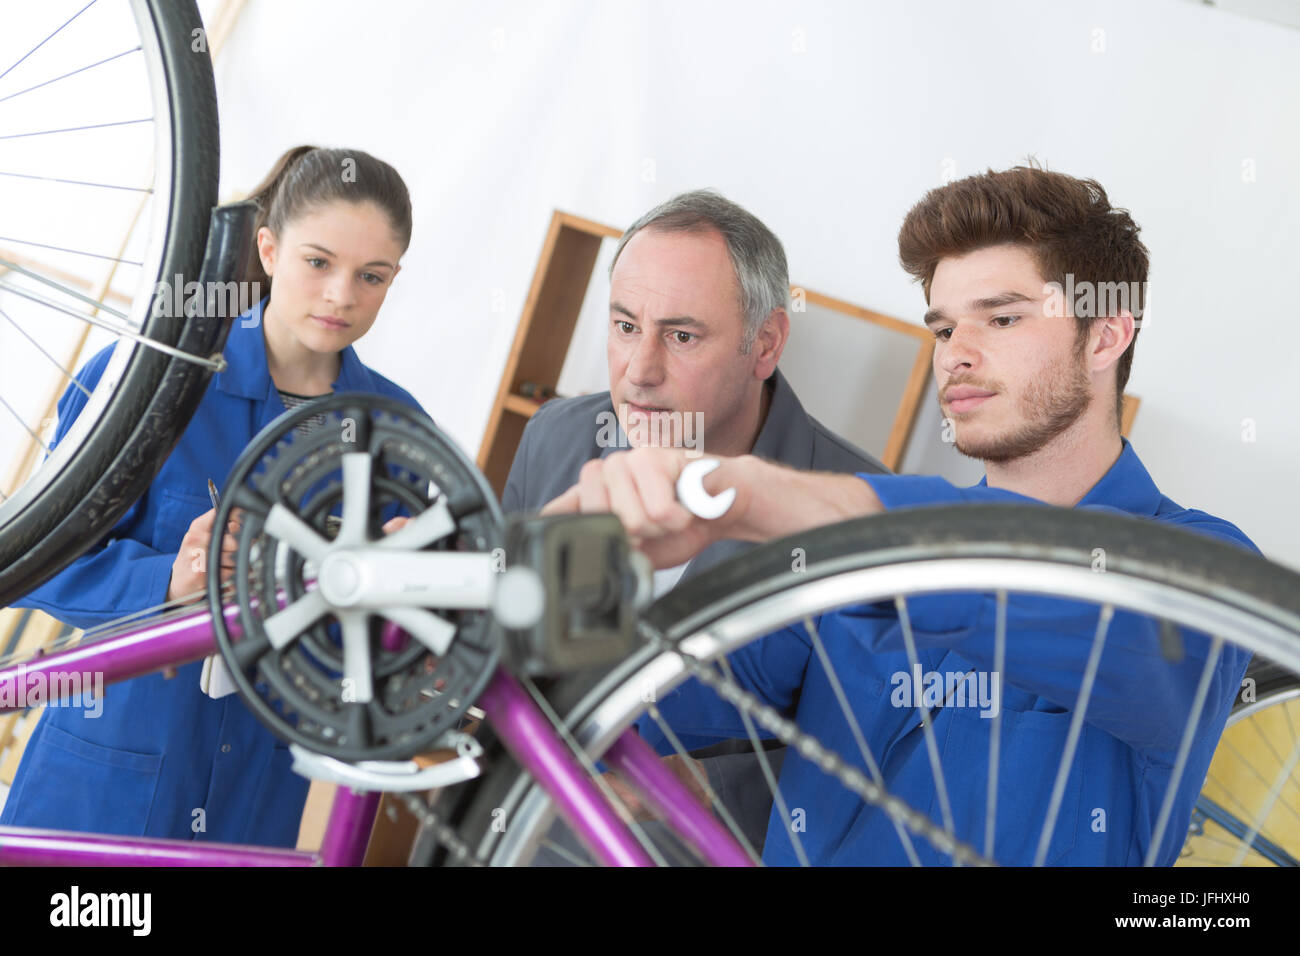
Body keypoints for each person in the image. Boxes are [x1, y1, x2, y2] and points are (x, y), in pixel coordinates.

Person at [543, 166, 1259, 865]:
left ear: (1105, 336)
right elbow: (666, 693)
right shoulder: (855, 561)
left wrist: (750, 496)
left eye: (1002, 318)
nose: (958, 357)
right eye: (945, 330)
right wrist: (526, 627)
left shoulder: (1198, 565)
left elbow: (1082, 620)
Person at [1, 145, 424, 848]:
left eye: (370, 276)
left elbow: (380, 651)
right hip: (105, 776)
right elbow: (34, 558)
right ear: (268, 246)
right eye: (318, 262)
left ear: (393, 279)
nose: (341, 295)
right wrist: (165, 580)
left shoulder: (397, 428)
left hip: (258, 795)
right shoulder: (149, 380)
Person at [502, 189, 886, 850]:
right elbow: (511, 644)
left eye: (681, 336)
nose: (638, 373)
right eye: (625, 327)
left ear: (765, 344)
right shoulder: (555, 436)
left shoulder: (856, 505)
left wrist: (696, 785)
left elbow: (866, 759)